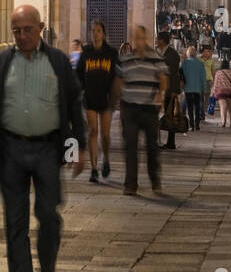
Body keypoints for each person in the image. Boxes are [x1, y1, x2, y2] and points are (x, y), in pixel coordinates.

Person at [0, 4, 86, 272]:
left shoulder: (58, 62)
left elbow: (73, 104)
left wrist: (78, 148)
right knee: (15, 222)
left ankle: (47, 271)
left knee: (49, 216)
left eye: (28, 29)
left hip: (47, 149)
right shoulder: (2, 64)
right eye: (16, 31)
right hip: (11, 149)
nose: (22, 35)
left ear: (40, 28)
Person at [117, 24, 169, 195]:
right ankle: (130, 184)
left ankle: (155, 181)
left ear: (145, 38)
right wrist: (119, 97)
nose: (138, 40)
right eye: (135, 37)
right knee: (130, 147)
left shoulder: (156, 57)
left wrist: (160, 94)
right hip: (129, 108)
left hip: (148, 109)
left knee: (152, 147)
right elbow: (120, 79)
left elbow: (163, 78)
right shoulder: (127, 59)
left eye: (141, 37)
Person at [76, 20, 120, 183]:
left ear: (103, 34)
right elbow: (79, 75)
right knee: (93, 131)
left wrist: (115, 95)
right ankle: (94, 169)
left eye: (99, 30)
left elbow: (117, 75)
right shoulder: (86, 52)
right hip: (90, 97)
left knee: (105, 135)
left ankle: (106, 159)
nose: (95, 33)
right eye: (93, 30)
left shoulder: (111, 53)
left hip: (106, 98)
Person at [156, 30, 182, 150]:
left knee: (169, 114)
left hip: (169, 89)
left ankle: (171, 142)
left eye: (158, 39)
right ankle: (158, 140)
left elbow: (174, 75)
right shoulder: (160, 52)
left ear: (162, 40)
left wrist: (174, 91)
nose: (156, 41)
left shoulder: (172, 54)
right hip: (159, 89)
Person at [181, 46, 207, 130]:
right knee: (197, 106)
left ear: (188, 53)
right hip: (197, 88)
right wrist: (204, 88)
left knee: (189, 107)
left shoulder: (184, 63)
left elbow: (182, 76)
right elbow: (203, 77)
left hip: (188, 88)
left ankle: (191, 125)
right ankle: (197, 125)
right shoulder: (200, 63)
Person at [211, 60, 231, 126]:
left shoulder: (218, 73)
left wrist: (213, 92)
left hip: (221, 92)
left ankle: (223, 122)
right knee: (230, 107)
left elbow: (215, 83)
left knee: (223, 107)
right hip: (230, 91)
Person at [200, 45, 215, 117]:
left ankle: (205, 108)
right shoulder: (199, 60)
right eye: (205, 52)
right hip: (201, 81)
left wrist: (214, 81)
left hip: (209, 80)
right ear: (202, 53)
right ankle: (201, 108)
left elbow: (213, 71)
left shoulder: (211, 60)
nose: (206, 53)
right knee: (201, 95)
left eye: (207, 52)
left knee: (207, 96)